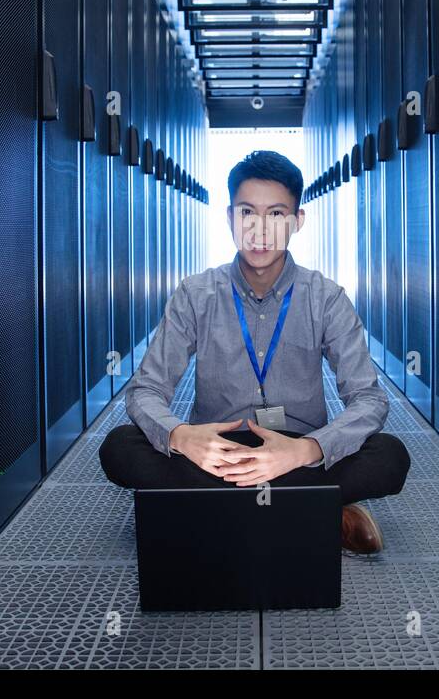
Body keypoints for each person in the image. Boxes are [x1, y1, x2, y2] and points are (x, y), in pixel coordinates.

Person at [99, 150, 410, 554]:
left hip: (297, 449)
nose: (260, 230)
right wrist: (182, 437)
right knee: (120, 447)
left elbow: (368, 399)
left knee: (390, 456)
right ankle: (315, 507)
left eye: (277, 214)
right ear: (229, 217)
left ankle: (212, 507)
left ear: (298, 221)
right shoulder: (196, 294)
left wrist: (307, 449)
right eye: (247, 212)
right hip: (215, 451)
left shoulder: (327, 298)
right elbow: (145, 390)